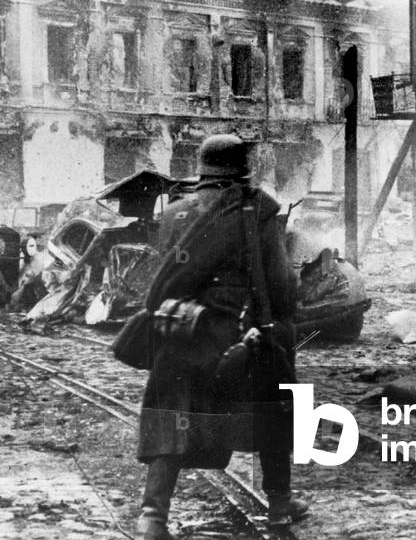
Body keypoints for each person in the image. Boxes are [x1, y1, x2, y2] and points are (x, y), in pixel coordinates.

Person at [135, 134, 308, 540]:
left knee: (170, 411)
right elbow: (279, 286)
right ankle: (280, 506)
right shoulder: (258, 211)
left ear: (203, 170)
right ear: (242, 170)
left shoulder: (175, 213)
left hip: (184, 334)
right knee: (274, 403)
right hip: (240, 338)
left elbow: (163, 283)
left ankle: (152, 516)